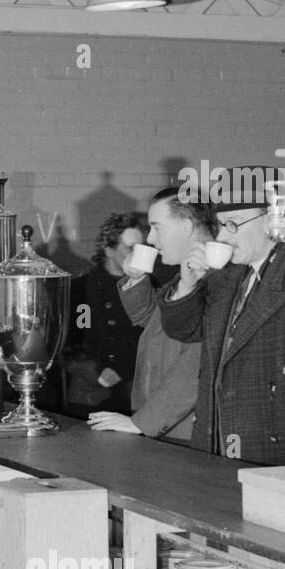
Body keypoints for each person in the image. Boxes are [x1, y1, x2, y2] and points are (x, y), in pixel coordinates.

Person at [158, 185, 285, 466]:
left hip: (274, 447)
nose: (222, 237)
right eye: (220, 225)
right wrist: (188, 285)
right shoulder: (227, 275)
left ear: (271, 220)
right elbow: (184, 330)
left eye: (232, 225)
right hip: (217, 436)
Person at [89, 188, 213, 439]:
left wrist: (143, 423)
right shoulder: (187, 275)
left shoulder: (215, 280)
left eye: (157, 227)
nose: (151, 239)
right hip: (165, 427)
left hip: (185, 434)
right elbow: (155, 321)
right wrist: (136, 279)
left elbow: (196, 365)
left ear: (187, 226)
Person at [63, 213, 145, 417]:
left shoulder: (149, 288)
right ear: (109, 249)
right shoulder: (82, 289)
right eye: (131, 248)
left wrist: (123, 369)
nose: (138, 254)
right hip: (89, 395)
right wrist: (93, 373)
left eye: (142, 247)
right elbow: (70, 340)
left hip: (134, 394)